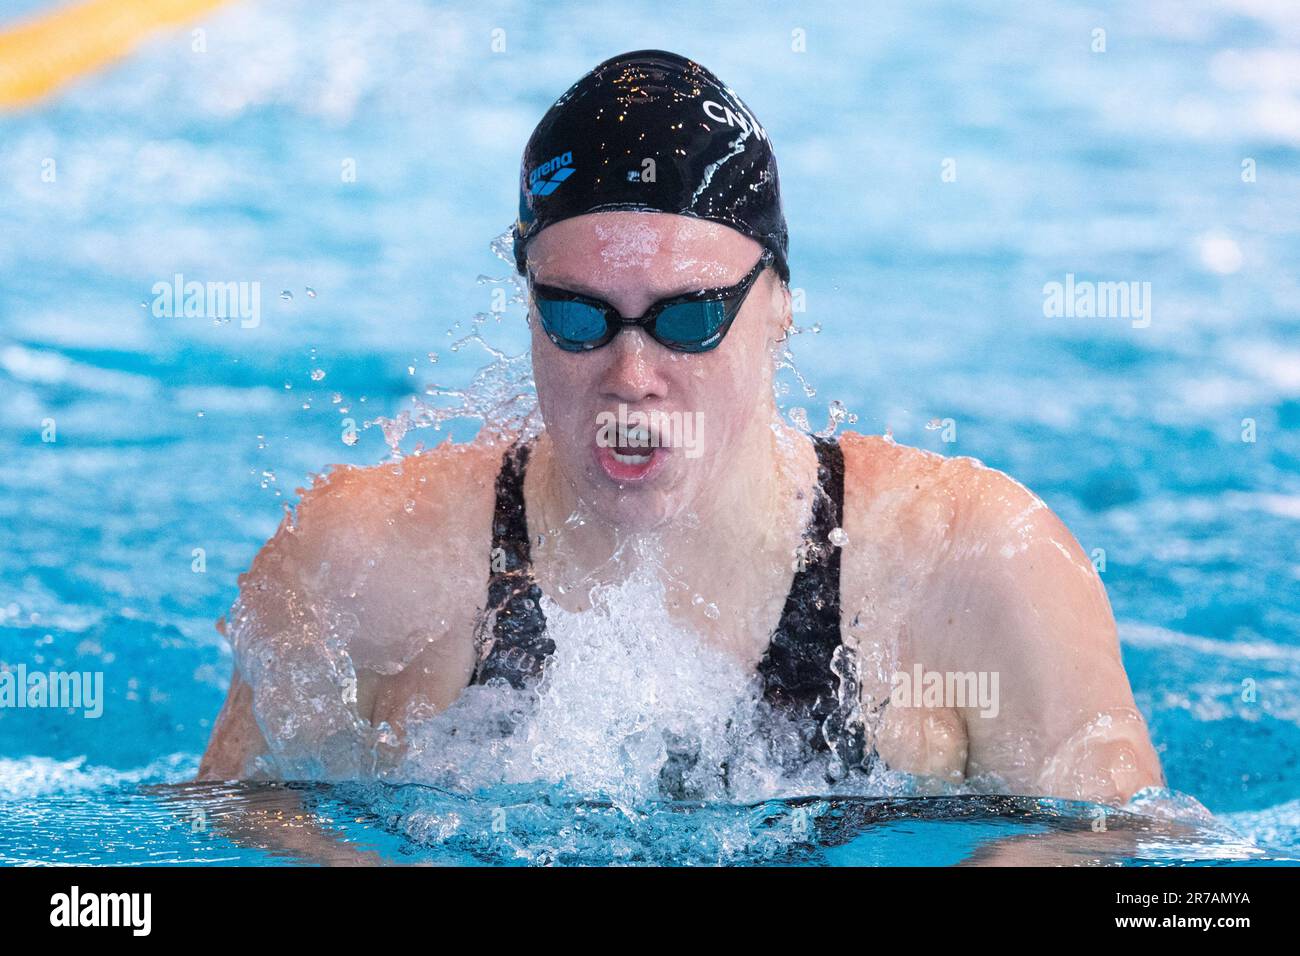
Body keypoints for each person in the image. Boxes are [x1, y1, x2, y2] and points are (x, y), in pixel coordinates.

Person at [200, 49, 1163, 805]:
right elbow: (243, 823)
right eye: (577, 316)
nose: (631, 376)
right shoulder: (359, 565)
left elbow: (1132, 870)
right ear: (526, 303)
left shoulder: (980, 571)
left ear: (778, 304)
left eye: (689, 316)